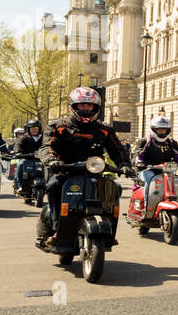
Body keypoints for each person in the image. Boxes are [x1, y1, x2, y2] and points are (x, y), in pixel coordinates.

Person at [36, 87, 131, 247]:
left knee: (115, 188)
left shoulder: (105, 130)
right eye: (82, 105)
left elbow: (117, 149)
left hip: (94, 173)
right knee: (53, 185)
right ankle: (56, 227)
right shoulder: (58, 126)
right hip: (66, 171)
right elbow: (46, 146)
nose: (86, 109)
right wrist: (51, 160)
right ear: (73, 106)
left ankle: (109, 229)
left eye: (89, 106)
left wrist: (125, 165)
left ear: (96, 108)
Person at [135, 115, 178, 188]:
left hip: (166, 171)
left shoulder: (171, 142)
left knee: (175, 182)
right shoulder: (145, 141)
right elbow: (137, 155)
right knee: (150, 179)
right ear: (154, 129)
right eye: (159, 129)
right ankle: (148, 199)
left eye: (164, 130)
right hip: (146, 170)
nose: (162, 132)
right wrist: (139, 163)